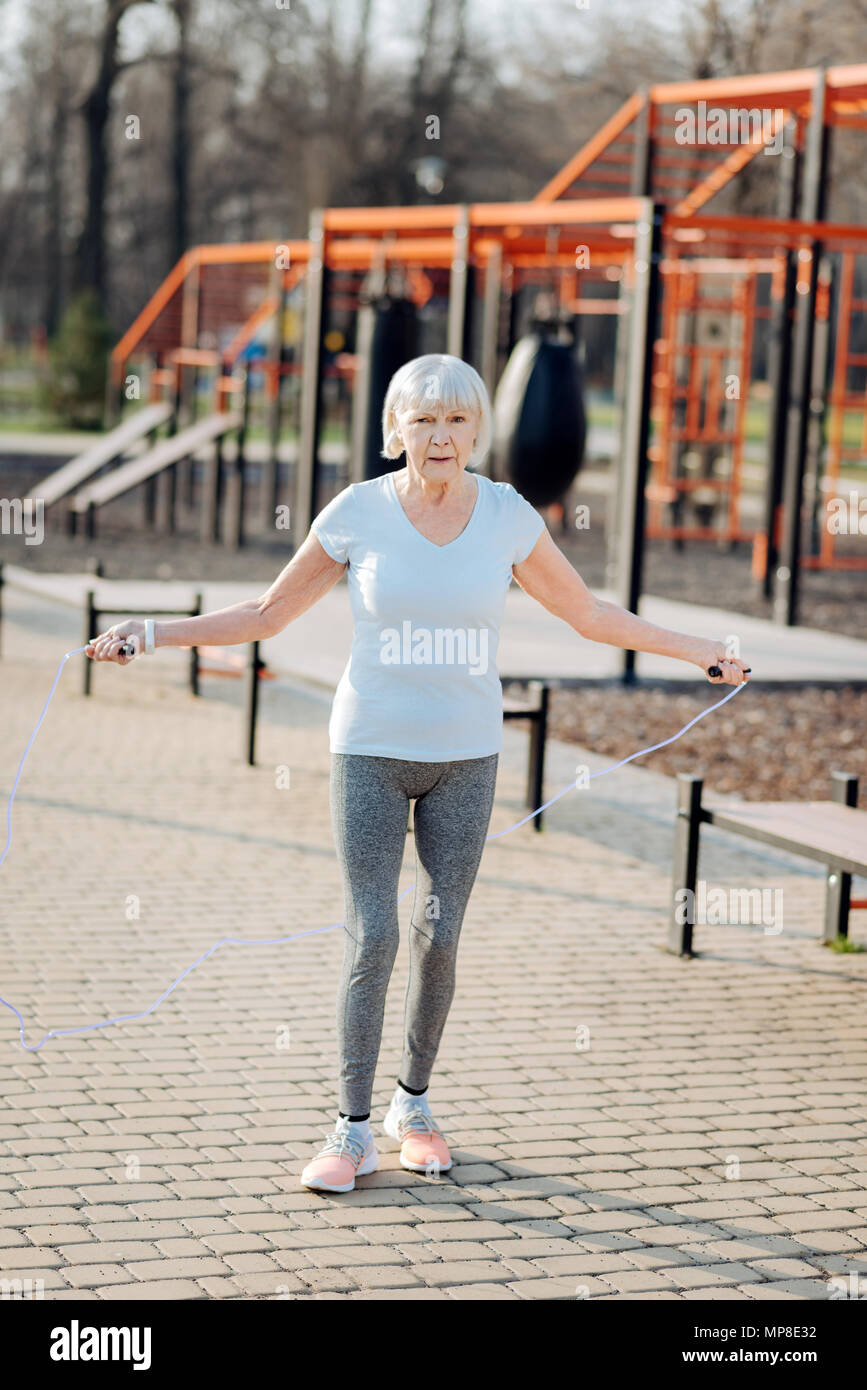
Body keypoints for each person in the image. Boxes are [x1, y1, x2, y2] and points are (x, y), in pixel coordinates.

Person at [86, 352, 750, 1194]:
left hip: (466, 759)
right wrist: (152, 630)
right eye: (423, 420)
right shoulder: (358, 512)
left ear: (478, 430)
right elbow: (265, 613)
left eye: (457, 420)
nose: (440, 436)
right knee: (375, 933)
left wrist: (701, 652)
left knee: (439, 935)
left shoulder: (507, 516)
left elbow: (586, 613)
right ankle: (350, 1129)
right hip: (368, 750)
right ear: (394, 430)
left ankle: (415, 1106)